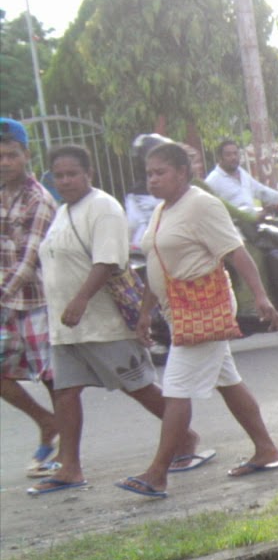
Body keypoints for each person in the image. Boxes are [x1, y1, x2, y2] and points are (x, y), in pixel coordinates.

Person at [29, 145, 208, 494]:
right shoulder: (63, 211)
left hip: (102, 322)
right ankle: (70, 467)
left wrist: (80, 299)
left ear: (88, 174)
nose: (65, 181)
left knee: (137, 385)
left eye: (72, 174)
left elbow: (108, 260)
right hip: (66, 328)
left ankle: (185, 438)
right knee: (64, 392)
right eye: (59, 175)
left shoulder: (103, 207)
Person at [116, 141, 278, 499]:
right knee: (228, 380)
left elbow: (235, 252)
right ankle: (266, 448)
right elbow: (156, 265)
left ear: (181, 173)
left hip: (205, 309)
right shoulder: (163, 210)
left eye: (161, 172)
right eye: (149, 173)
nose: (153, 179)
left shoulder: (201, 204)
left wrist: (261, 296)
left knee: (176, 387)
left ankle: (157, 473)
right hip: (176, 310)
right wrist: (146, 311)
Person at [0, 117, 59, 475]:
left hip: (37, 301)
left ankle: (69, 447)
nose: (4, 162)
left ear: (26, 155)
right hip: (8, 304)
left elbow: (28, 261)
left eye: (11, 155)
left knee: (54, 378)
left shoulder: (38, 199)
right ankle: (48, 423)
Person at [205, 139, 278, 214]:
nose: (233, 157)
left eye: (235, 154)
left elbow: (262, 191)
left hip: (254, 223)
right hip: (232, 228)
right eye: (228, 155)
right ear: (220, 158)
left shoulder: (242, 173)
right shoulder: (213, 181)